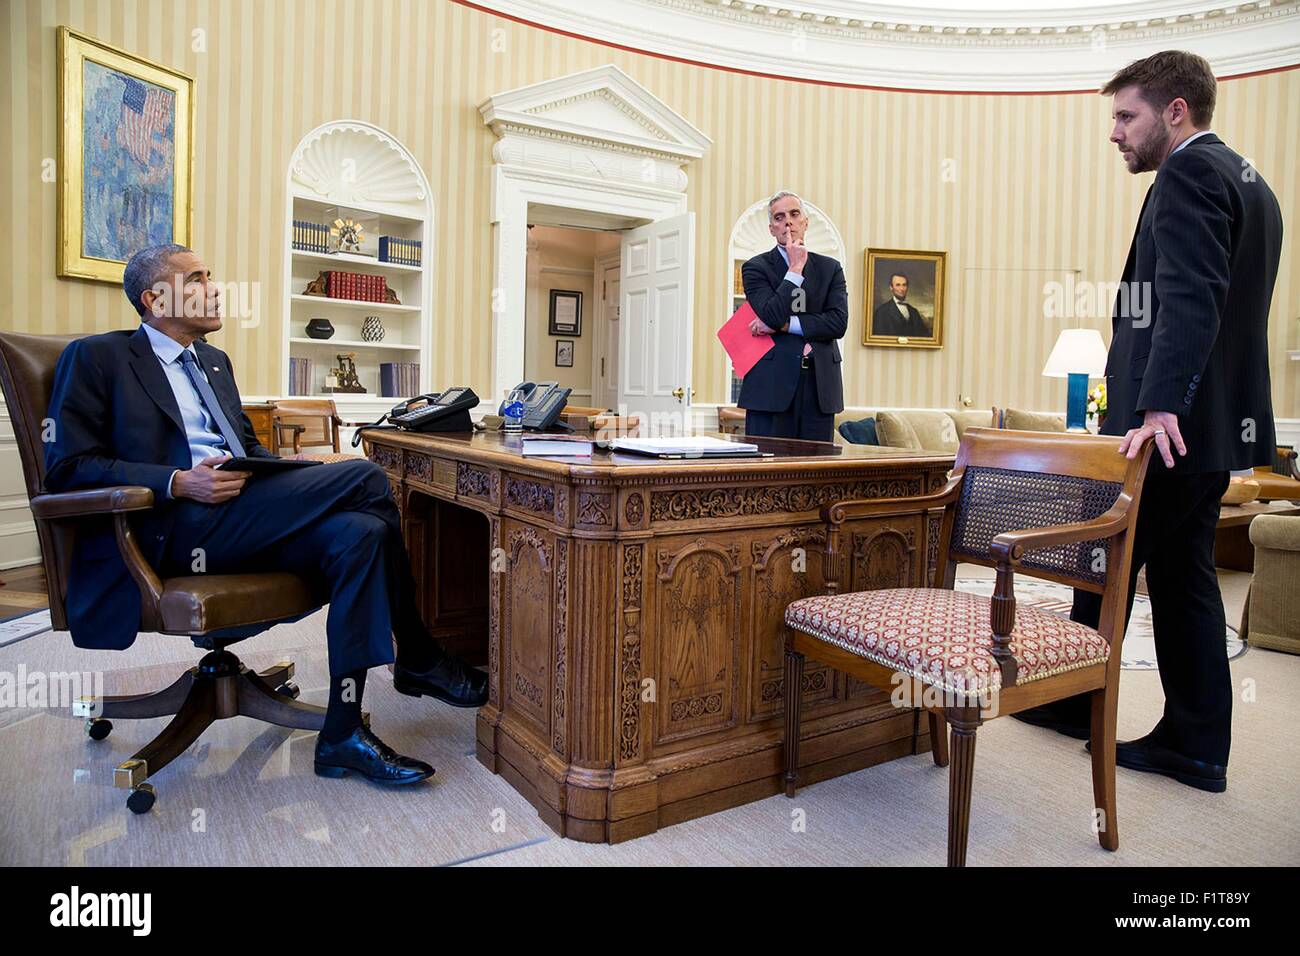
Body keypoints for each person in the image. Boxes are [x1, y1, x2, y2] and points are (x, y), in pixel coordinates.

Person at [44, 244, 489, 787]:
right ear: (154, 298)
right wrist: (178, 482)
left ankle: (343, 735)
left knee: (363, 533)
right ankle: (418, 654)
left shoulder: (213, 361)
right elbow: (67, 468)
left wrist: (288, 469)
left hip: (240, 514)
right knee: (368, 477)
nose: (214, 287)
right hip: (166, 527)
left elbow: (246, 447)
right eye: (198, 278)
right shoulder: (97, 358)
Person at [1014, 51, 1283, 794]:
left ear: (1175, 111)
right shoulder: (1253, 183)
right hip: (1216, 426)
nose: (1115, 133)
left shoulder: (1189, 173)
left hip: (1167, 426)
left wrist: (1159, 402)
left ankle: (1073, 703)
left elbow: (1191, 298)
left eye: (1125, 115)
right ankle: (1195, 744)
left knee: (1100, 560)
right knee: (1183, 572)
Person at [737, 191, 847, 442]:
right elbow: (771, 313)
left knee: (815, 474)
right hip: (770, 388)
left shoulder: (831, 269)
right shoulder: (755, 267)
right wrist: (795, 269)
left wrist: (787, 325)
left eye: (794, 214)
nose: (788, 221)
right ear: (771, 229)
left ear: (805, 223)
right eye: (779, 217)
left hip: (819, 388)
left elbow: (838, 323)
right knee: (767, 474)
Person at [871, 272, 930, 338]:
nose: (901, 289)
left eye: (904, 285)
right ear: (891, 287)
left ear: (907, 287)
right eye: (898, 285)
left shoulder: (914, 312)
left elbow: (923, 337)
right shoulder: (881, 312)